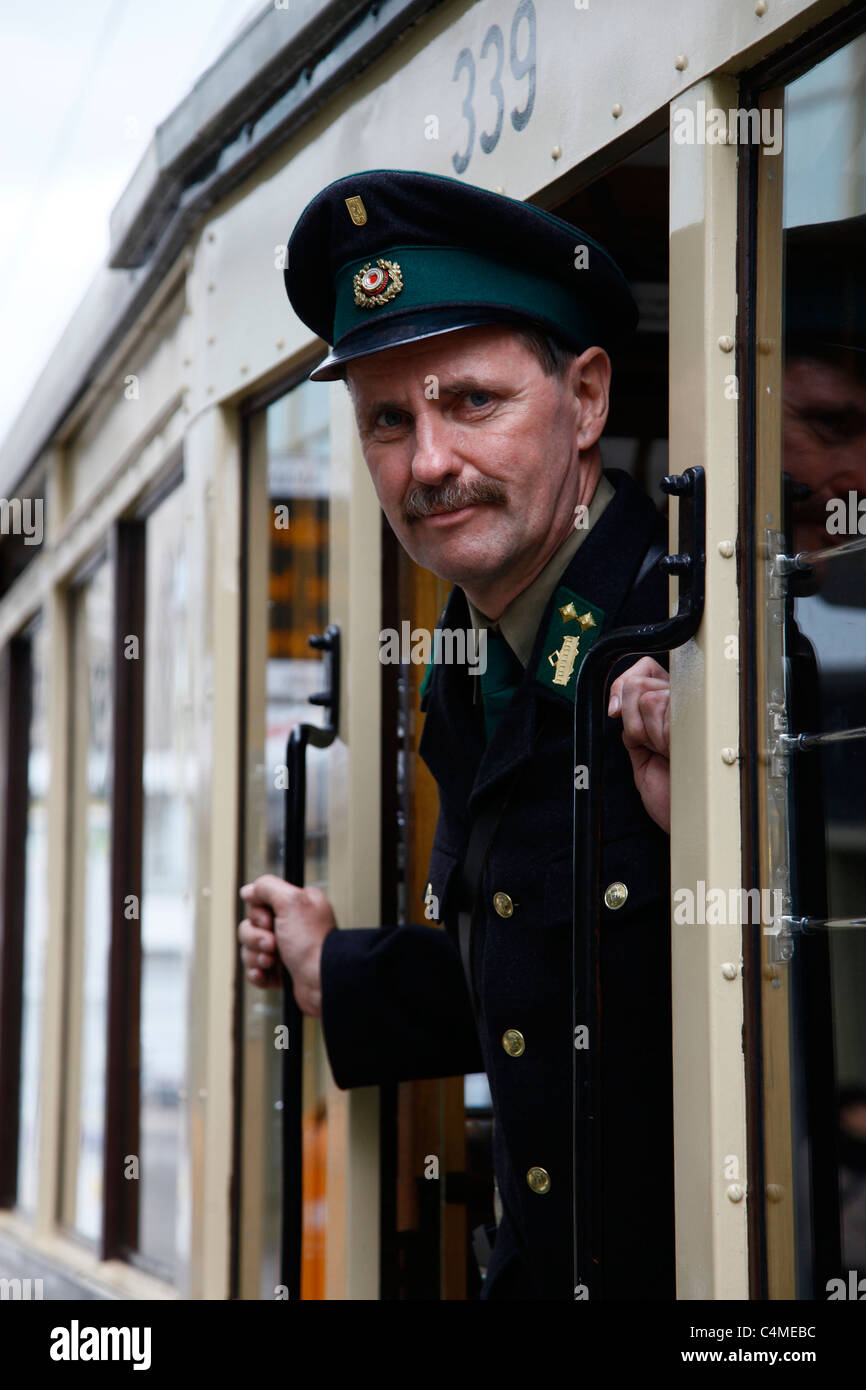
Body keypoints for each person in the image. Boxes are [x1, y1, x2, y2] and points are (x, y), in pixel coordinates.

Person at [238, 170, 675, 1299]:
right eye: (389, 420)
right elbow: (543, 965)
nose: (425, 463)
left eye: (469, 402)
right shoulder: (474, 659)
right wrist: (333, 966)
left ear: (584, 401)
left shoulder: (685, 641)